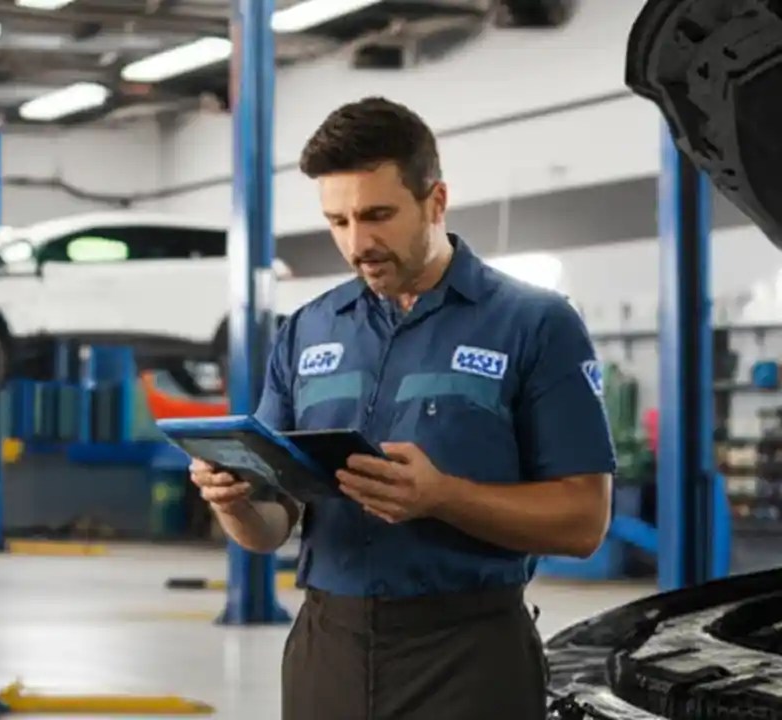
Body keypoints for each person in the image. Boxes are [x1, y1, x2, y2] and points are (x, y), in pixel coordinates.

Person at [188, 97, 615, 720]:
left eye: (377, 215)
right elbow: (271, 525)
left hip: (468, 656)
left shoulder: (534, 323)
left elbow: (583, 521)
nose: (358, 243)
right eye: (337, 221)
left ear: (435, 201)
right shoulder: (308, 330)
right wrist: (235, 503)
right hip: (326, 648)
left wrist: (443, 496)